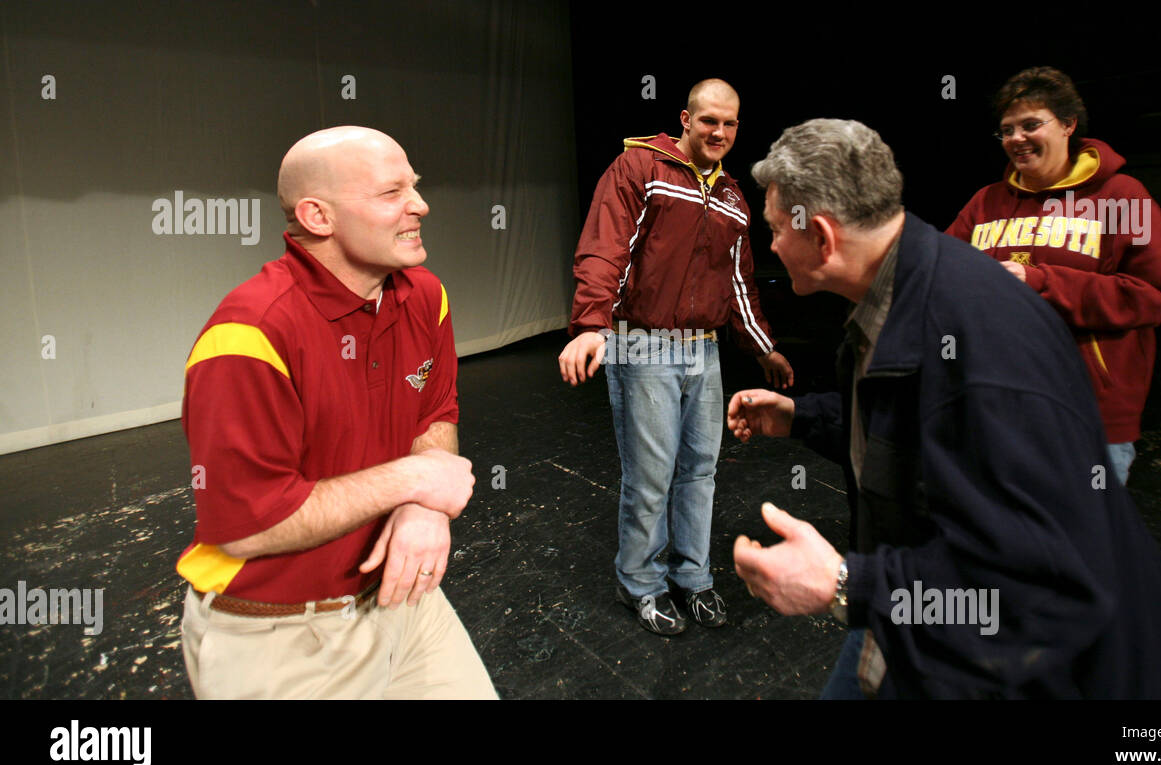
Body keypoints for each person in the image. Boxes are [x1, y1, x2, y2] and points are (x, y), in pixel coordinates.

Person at [728, 118, 1161, 698]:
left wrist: (846, 585)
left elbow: (1042, 587)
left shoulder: (979, 342)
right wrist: (806, 416)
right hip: (914, 608)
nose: (771, 245)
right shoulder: (900, 286)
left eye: (776, 229)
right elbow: (915, 421)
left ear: (822, 238)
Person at [177, 126, 497, 699]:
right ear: (318, 217)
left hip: (409, 603)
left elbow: (433, 414)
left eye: (415, 187)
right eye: (391, 192)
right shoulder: (248, 334)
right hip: (282, 638)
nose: (420, 205)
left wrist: (425, 510)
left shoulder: (426, 295)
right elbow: (251, 526)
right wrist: (416, 478)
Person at [559, 79, 794, 635]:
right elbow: (606, 247)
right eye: (708, 120)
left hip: (703, 351)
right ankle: (640, 581)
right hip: (641, 344)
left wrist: (765, 348)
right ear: (685, 120)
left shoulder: (734, 197)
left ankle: (693, 578)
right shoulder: (641, 169)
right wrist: (593, 324)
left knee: (700, 472)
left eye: (730, 123)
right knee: (650, 476)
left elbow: (740, 283)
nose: (718, 131)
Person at [946, 66, 1161, 485]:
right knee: (1004, 541)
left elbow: (1151, 295)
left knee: (1084, 544)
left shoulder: (1122, 196)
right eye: (1007, 130)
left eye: (1030, 125)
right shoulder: (986, 202)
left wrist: (1039, 282)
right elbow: (943, 275)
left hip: (1088, 414)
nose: (1016, 139)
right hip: (997, 407)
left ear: (1069, 124)